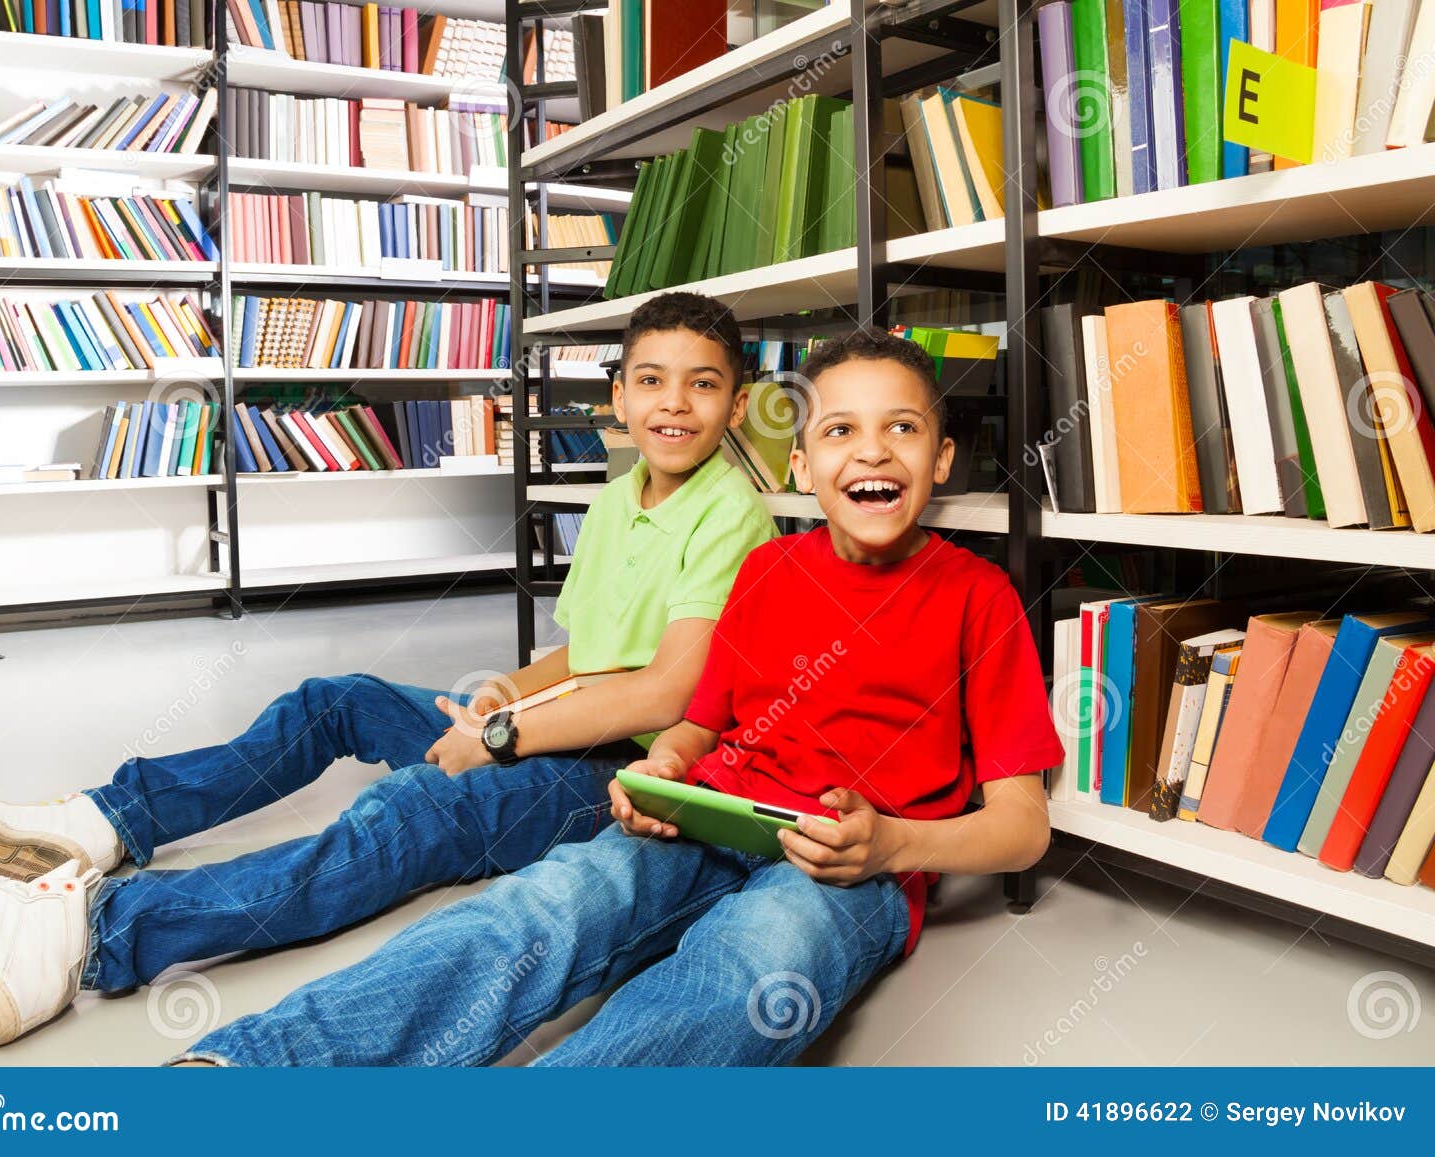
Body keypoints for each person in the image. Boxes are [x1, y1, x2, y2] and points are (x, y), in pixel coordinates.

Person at [0, 291, 778, 1049]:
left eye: (702, 386)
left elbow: (666, 691)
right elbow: (587, 651)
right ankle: (104, 818)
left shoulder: (731, 511)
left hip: (619, 772)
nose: (673, 403)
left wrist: (497, 736)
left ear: (738, 405)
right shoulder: (618, 499)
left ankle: (77, 938)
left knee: (412, 812)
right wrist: (507, 690)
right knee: (335, 702)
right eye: (651, 381)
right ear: (616, 396)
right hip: (554, 718)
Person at [167, 326, 1065, 1067]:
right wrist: (665, 768)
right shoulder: (768, 571)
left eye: (901, 428)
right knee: (544, 906)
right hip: (710, 816)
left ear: (941, 458)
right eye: (840, 431)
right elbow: (696, 723)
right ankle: (255, 1071)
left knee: (750, 963)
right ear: (797, 464)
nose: (871, 449)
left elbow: (1024, 825)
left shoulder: (977, 598)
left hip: (848, 868)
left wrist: (895, 843)